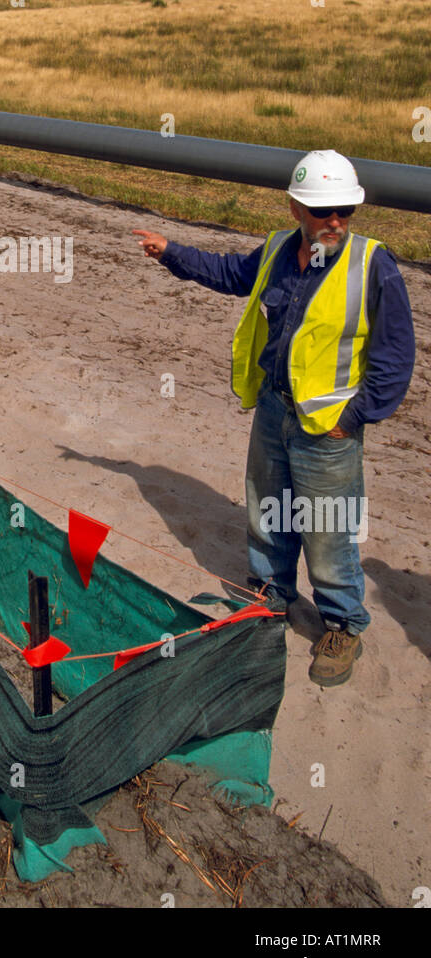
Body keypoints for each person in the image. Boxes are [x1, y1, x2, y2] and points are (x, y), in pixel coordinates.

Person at [134, 149, 415, 688]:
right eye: (322, 211)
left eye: (344, 212)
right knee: (269, 512)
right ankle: (270, 597)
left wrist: (353, 418)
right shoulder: (279, 251)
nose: (334, 221)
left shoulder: (372, 264)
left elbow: (395, 354)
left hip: (330, 427)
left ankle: (343, 624)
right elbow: (229, 272)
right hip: (274, 410)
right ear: (295, 210)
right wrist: (171, 252)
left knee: (329, 532)